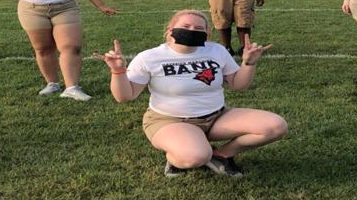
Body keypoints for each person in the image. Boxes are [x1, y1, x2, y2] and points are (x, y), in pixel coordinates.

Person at [97, 10, 287, 178]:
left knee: (275, 126)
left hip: (216, 116)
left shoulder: (216, 50)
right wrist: (117, 71)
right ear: (170, 30)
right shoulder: (149, 57)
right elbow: (125, 96)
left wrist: (249, 63)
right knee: (195, 156)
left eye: (198, 27)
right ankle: (178, 154)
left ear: (207, 33)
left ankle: (222, 155)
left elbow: (239, 85)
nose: (192, 30)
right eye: (185, 26)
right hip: (170, 120)